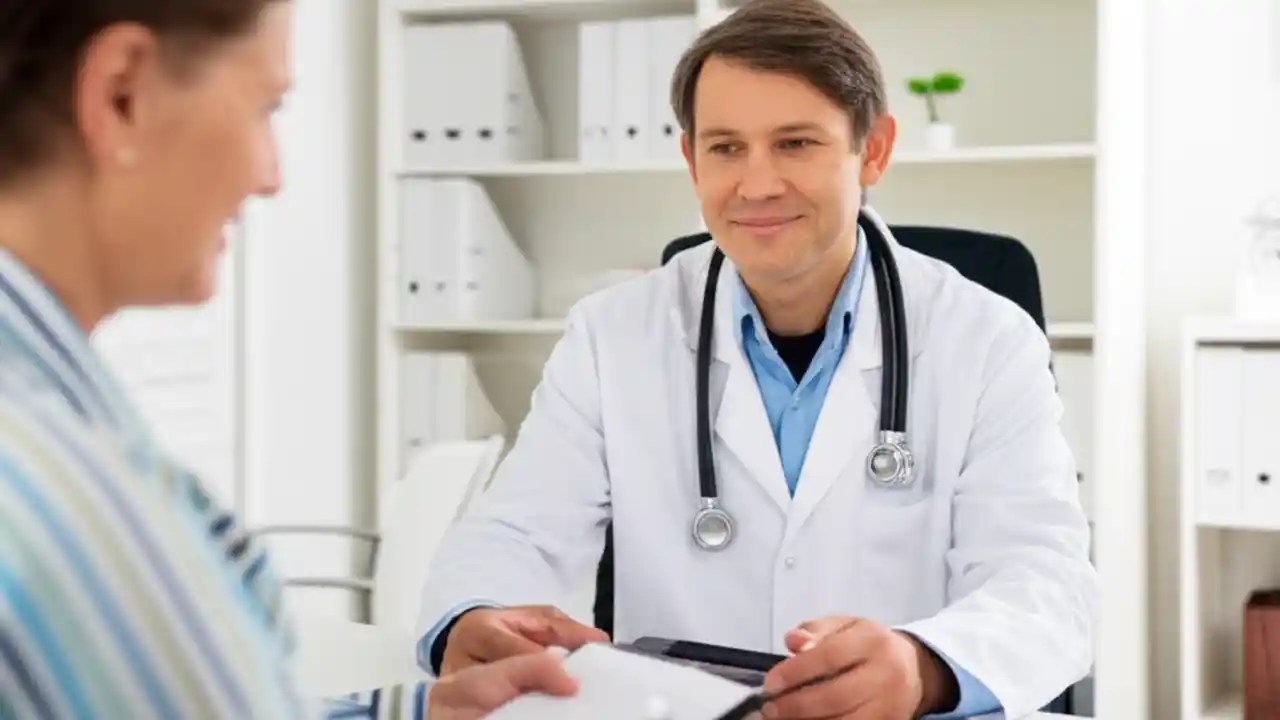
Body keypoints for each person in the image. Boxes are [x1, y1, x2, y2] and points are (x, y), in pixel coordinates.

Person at [416, 0, 1099, 718]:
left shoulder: (987, 338)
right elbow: (518, 530)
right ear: (691, 160)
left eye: (796, 143)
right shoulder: (610, 336)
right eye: (726, 147)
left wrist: (923, 667)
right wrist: (475, 617)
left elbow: (1046, 583)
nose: (757, 184)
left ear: (874, 150)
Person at [0, 1, 577, 717]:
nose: (269, 175)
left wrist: (418, 711)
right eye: (265, 107)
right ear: (122, 94)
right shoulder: (62, 494)